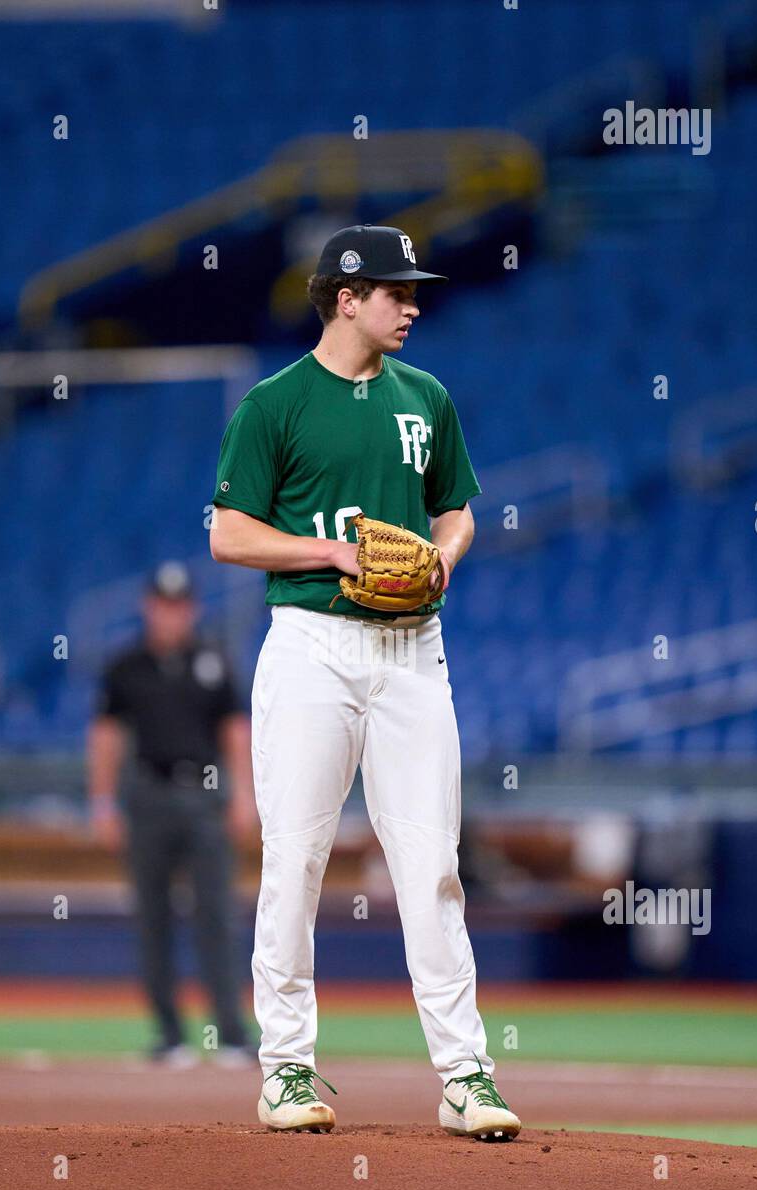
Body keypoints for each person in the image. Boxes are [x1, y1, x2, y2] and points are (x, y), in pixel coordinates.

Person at [208, 224, 521, 1140]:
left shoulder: (427, 397)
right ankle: (287, 1071)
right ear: (345, 297)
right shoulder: (276, 403)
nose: (413, 304)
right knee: (296, 864)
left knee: (431, 869)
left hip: (413, 650)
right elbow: (228, 534)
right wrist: (326, 551)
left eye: (413, 291)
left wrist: (446, 555)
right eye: (396, 291)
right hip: (310, 644)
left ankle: (466, 1076)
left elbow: (457, 509)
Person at [87, 561, 258, 1068]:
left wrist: (244, 796)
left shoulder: (213, 660)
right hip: (147, 797)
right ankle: (169, 1035)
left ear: (194, 610)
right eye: (163, 605)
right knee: (153, 917)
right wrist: (102, 801)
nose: (171, 616)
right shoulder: (126, 667)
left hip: (204, 799)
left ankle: (229, 1034)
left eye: (180, 606)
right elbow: (105, 736)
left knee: (217, 916)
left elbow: (234, 731)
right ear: (147, 608)